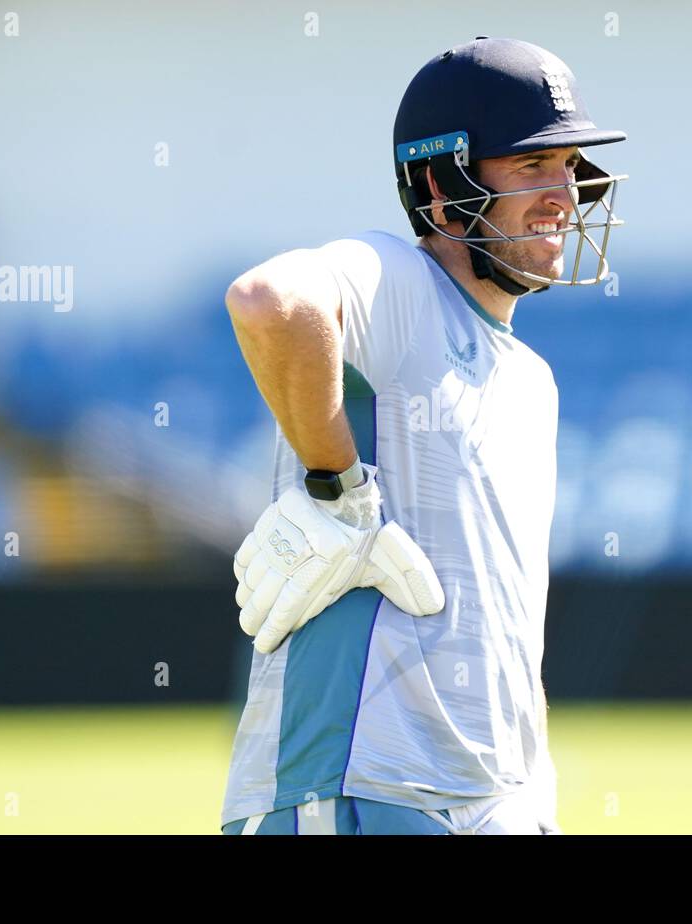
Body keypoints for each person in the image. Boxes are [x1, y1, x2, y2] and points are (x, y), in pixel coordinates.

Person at [220, 36, 626, 835]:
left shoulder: (533, 380)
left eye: (569, 165)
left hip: (494, 802)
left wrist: (532, 788)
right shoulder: (402, 283)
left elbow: (508, 617)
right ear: (443, 188)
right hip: (356, 791)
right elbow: (267, 301)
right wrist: (337, 491)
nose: (564, 192)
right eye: (530, 165)